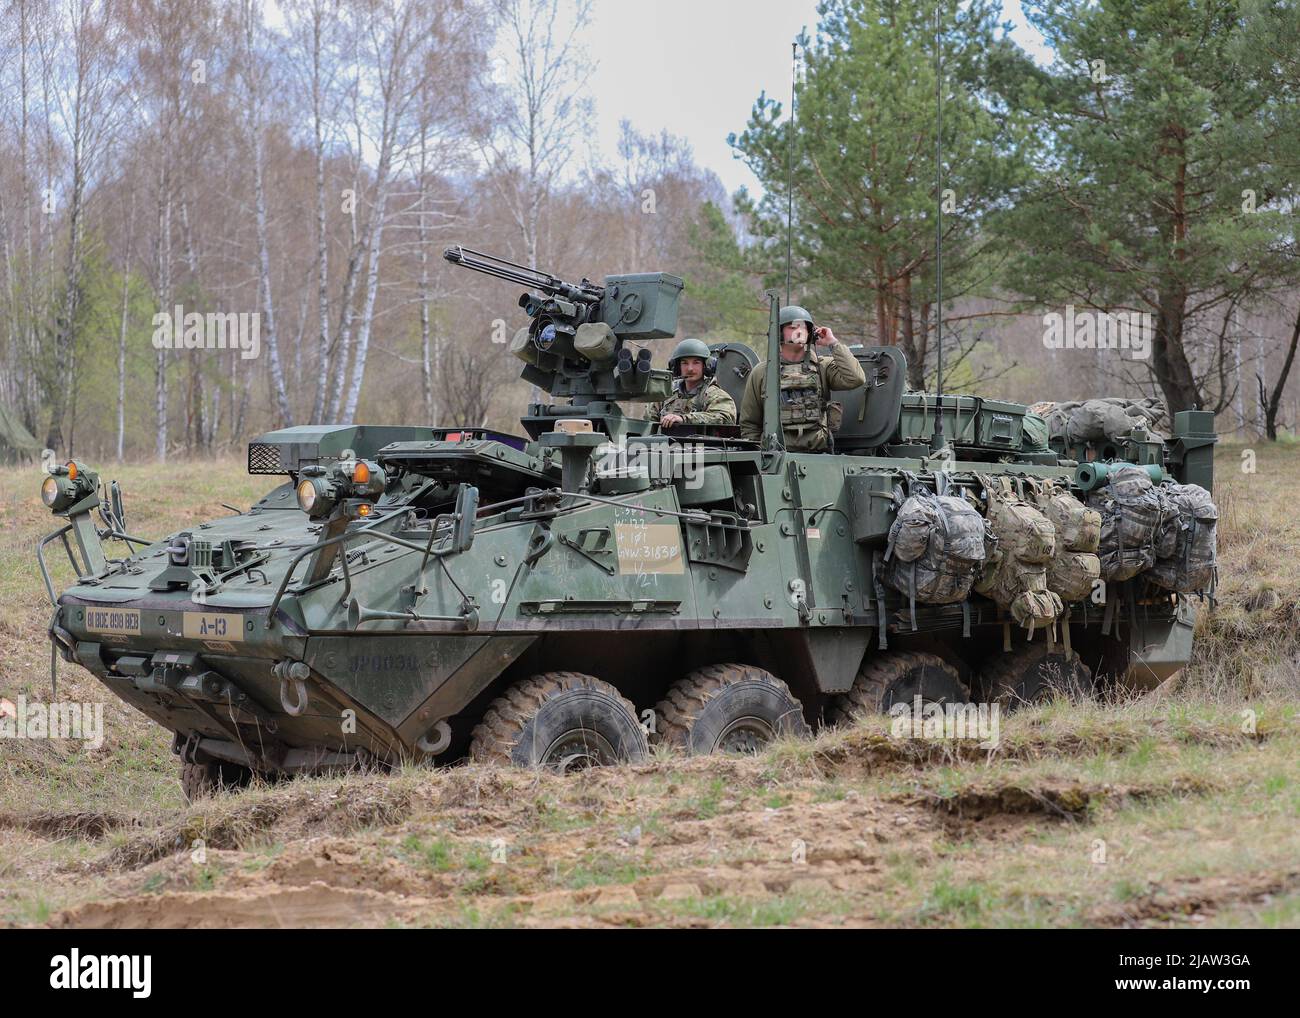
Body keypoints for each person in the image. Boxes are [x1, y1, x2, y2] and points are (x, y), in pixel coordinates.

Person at [739, 305, 866, 451]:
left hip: (818, 454)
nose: (799, 331)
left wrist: (833, 343)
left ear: (810, 333)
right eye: (792, 328)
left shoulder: (822, 367)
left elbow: (856, 378)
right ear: (778, 333)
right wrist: (761, 456)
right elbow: (749, 423)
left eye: (804, 327)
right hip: (776, 456)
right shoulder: (762, 372)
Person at [649, 338, 737, 428]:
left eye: (696, 363)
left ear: (706, 366)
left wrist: (684, 419)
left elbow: (725, 419)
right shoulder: (666, 394)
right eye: (685, 363)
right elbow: (648, 424)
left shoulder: (715, 395)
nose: (690, 368)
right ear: (677, 367)